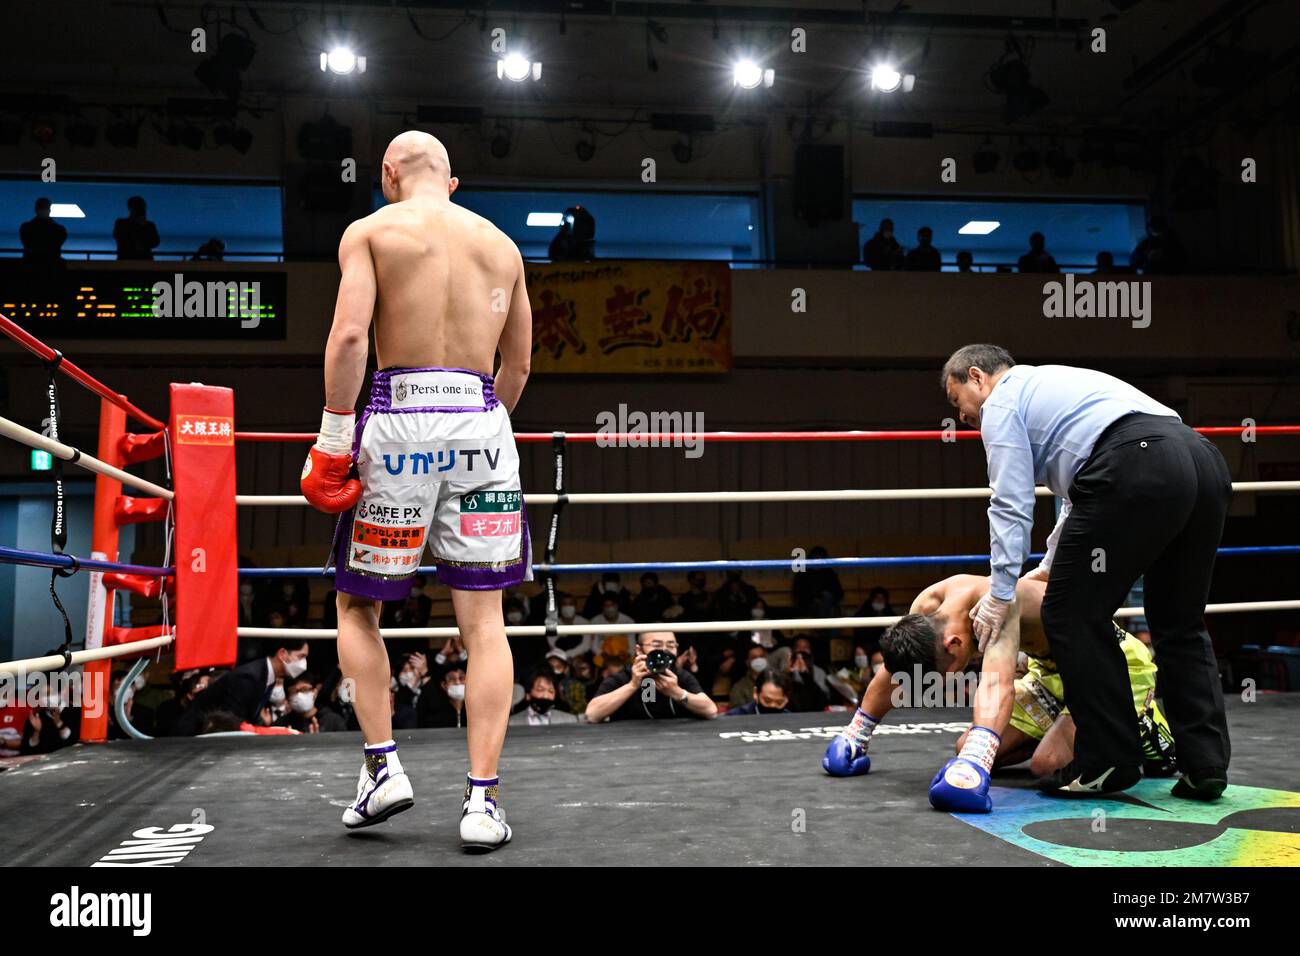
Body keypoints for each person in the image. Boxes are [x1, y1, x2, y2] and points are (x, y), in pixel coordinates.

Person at [299, 130, 533, 850]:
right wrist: (478, 431)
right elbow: (520, 366)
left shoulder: (373, 231)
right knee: (484, 623)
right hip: (482, 421)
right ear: (452, 181)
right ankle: (483, 804)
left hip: (399, 420)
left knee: (357, 605)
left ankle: (383, 769)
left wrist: (332, 443)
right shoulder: (502, 246)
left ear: (388, 173)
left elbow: (349, 340)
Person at [941, 343, 1230, 800]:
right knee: (1179, 622)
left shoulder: (1002, 402)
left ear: (977, 377)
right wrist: (1045, 570)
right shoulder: (1057, 388)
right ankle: (1205, 766)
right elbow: (1080, 504)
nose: (961, 417)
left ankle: (1108, 759)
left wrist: (1000, 593)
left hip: (1136, 463)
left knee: (1070, 615)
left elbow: (1010, 503)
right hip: (1202, 460)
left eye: (958, 401)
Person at [822, 573, 1175, 802]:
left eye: (945, 673)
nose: (944, 682)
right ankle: (1069, 729)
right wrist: (858, 731)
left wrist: (977, 760)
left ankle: (1145, 727)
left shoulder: (994, 607)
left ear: (953, 643)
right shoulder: (927, 609)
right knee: (964, 747)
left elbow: (997, 684)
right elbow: (896, 667)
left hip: (1109, 667)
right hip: (1051, 672)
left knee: (1046, 764)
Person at [171, 639, 310, 736]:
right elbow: (231, 722)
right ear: (282, 654)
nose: (303, 664)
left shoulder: (269, 676)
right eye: (301, 656)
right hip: (192, 737)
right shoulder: (248, 677)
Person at [586, 631, 717, 722]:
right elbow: (592, 714)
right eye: (657, 645)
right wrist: (632, 685)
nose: (664, 650)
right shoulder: (623, 677)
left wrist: (678, 693)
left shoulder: (680, 675)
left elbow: (710, 710)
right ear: (639, 650)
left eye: (671, 645)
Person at [280, 672, 349, 733]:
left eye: (304, 689)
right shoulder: (282, 724)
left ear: (315, 692)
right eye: (293, 692)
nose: (299, 695)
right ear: (287, 698)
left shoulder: (333, 721)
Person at [509, 672, 578, 726]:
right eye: (540, 690)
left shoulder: (570, 720)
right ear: (528, 695)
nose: (546, 696)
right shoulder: (511, 723)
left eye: (551, 691)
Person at [20, 198, 67, 265]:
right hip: (52, 265)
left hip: (31, 265)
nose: (43, 211)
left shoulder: (26, 228)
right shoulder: (60, 230)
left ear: (35, 209)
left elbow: (29, 245)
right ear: (49, 210)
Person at [112, 195, 160, 260]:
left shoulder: (150, 225)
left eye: (142, 207)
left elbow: (156, 242)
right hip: (133, 259)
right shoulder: (121, 223)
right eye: (138, 207)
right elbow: (119, 237)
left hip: (131, 259)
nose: (141, 210)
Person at [726, 669, 793, 715]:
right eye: (767, 701)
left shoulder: (790, 719)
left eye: (779, 702)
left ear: (787, 699)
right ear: (755, 693)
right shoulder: (735, 716)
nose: (773, 705)